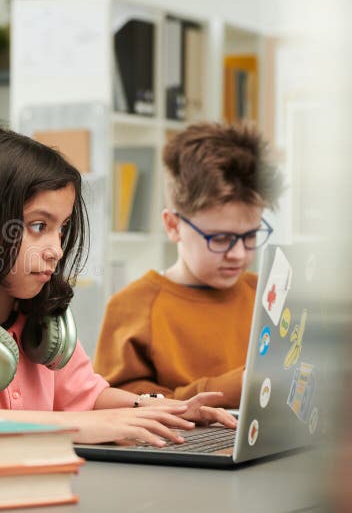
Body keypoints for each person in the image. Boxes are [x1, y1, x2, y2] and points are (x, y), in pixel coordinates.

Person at [0, 123, 235, 447]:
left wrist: (162, 410)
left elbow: (89, 398)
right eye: (38, 226)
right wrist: (74, 426)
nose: (56, 250)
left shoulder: (42, 325)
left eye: (62, 228)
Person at [93, 122, 284, 408]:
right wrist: (231, 389)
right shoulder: (133, 307)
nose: (238, 253)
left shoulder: (266, 294)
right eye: (220, 238)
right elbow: (124, 405)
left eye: (250, 236)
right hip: (180, 447)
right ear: (173, 225)